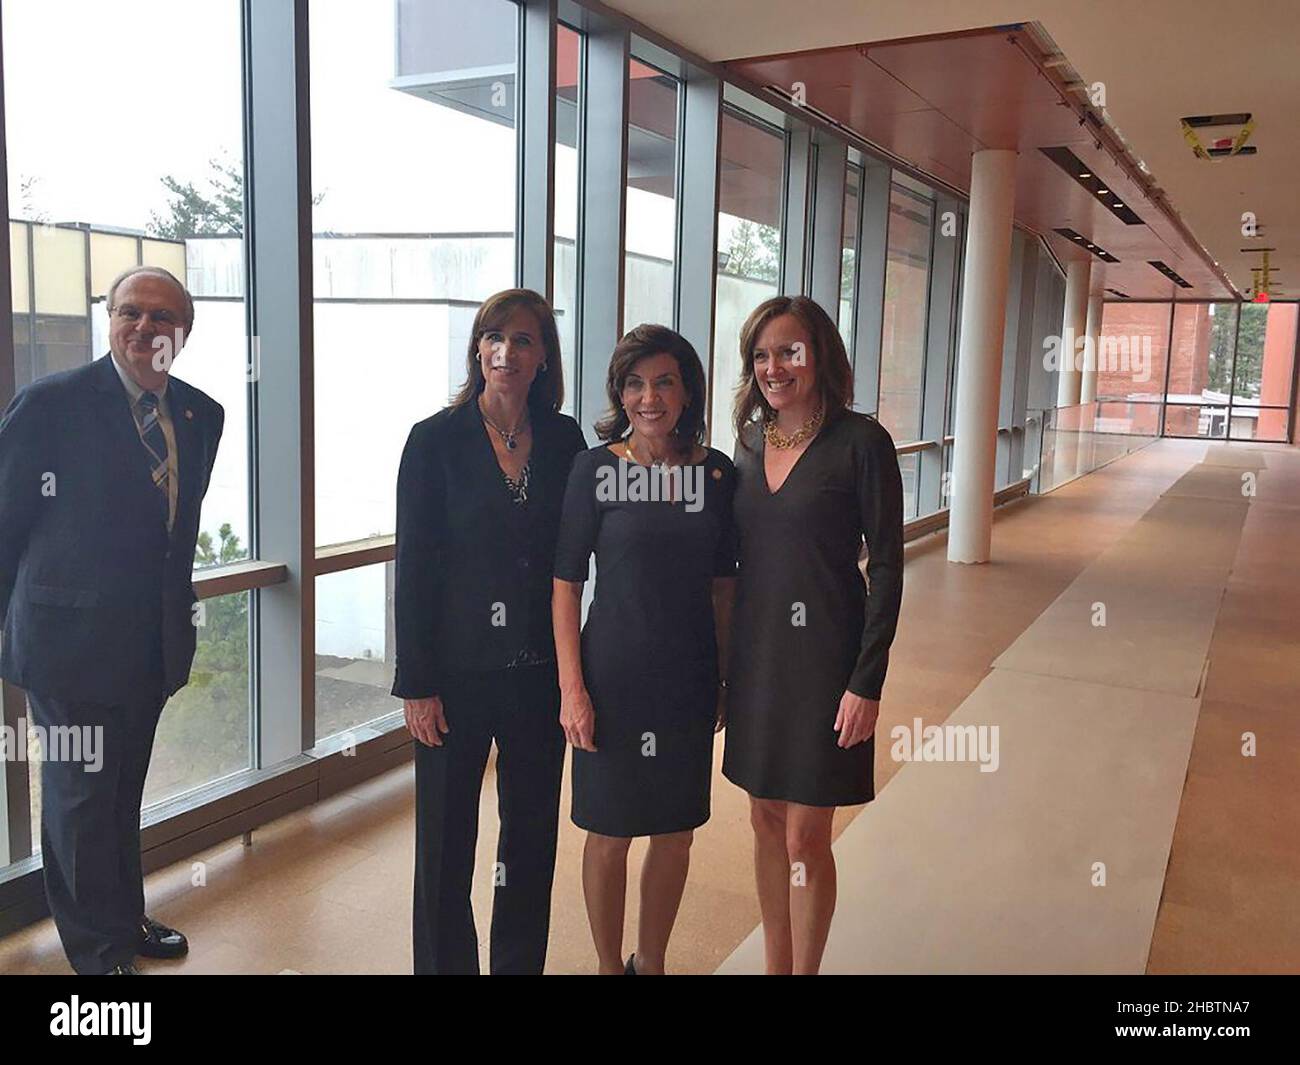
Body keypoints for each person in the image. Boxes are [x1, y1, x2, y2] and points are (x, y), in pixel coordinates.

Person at [0, 265, 224, 975]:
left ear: (182, 335)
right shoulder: (49, 405)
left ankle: (123, 917)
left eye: (163, 318)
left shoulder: (200, 414)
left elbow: (170, 537)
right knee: (78, 805)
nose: (146, 328)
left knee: (122, 792)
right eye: (132, 312)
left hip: (149, 644)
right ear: (108, 318)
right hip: (66, 647)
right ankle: (98, 955)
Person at [393, 288, 586, 975]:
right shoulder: (434, 440)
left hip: (538, 677)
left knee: (529, 843)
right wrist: (416, 684)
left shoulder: (564, 440)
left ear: (543, 357)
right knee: (445, 844)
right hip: (454, 677)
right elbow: (413, 569)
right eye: (493, 337)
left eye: (524, 339)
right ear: (478, 350)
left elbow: (581, 553)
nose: (507, 351)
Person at [722, 295, 904, 975]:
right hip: (758, 659)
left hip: (828, 659)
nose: (775, 366)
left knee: (806, 832)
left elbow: (886, 568)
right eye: (762, 354)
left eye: (790, 350)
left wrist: (868, 681)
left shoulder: (861, 443)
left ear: (820, 354)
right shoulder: (745, 444)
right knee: (764, 818)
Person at [553, 324, 736, 975]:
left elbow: (723, 588)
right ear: (619, 392)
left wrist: (722, 678)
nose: (648, 396)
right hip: (612, 678)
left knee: (676, 828)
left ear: (688, 391)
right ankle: (609, 965)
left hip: (686, 678)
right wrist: (572, 689)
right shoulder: (595, 468)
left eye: (664, 381)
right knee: (608, 831)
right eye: (635, 383)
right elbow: (566, 584)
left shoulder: (716, 474)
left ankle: (650, 961)